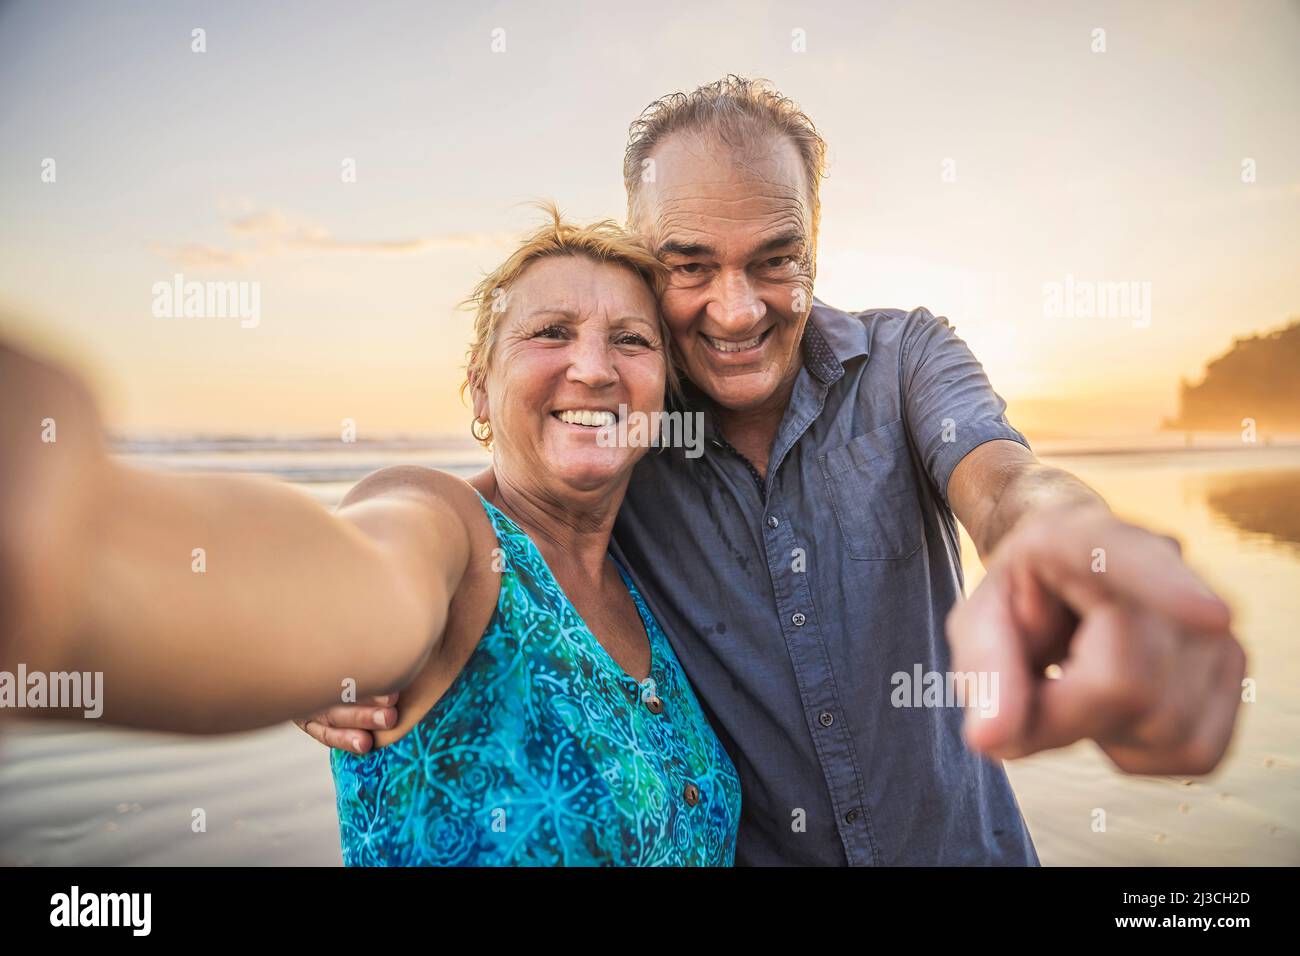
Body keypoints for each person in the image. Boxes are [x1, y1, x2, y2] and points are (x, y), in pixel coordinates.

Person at [305, 76, 1246, 866]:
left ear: (815, 245)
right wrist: (353, 612)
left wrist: (1076, 546)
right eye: (689, 267)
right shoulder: (632, 424)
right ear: (645, 257)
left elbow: (1004, 484)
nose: (736, 309)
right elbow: (502, 510)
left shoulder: (906, 359)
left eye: (775, 260)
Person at [0, 211, 741, 865]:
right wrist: (75, 537)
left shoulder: (653, 585)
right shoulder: (452, 532)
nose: (593, 367)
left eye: (632, 340)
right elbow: (352, 575)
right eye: (550, 332)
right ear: (479, 390)